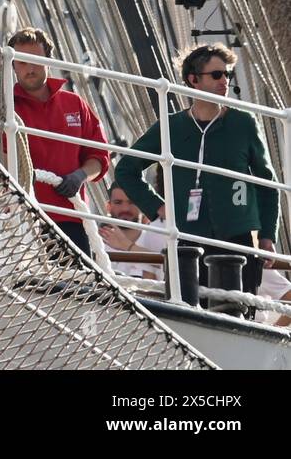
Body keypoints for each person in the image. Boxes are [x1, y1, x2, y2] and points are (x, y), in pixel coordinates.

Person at [115, 43, 280, 306]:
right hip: (189, 240)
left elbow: (266, 183)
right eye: (216, 75)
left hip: (236, 238)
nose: (224, 81)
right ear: (193, 80)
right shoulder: (171, 127)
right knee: (192, 308)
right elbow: (126, 169)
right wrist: (158, 207)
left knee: (235, 311)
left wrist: (267, 235)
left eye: (227, 75)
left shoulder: (244, 123)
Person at [0, 27, 109, 255]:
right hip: (21, 220)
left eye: (35, 60)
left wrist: (80, 176)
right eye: (22, 62)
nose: (30, 69)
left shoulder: (75, 104)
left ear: (48, 60)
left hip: (72, 219)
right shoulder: (3, 112)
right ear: (13, 66)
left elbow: (99, 157)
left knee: (77, 288)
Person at [101, 184, 166, 280]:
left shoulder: (155, 238)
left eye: (132, 202)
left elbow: (172, 265)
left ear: (143, 206)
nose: (125, 209)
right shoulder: (95, 242)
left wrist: (126, 245)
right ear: (108, 207)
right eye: (118, 202)